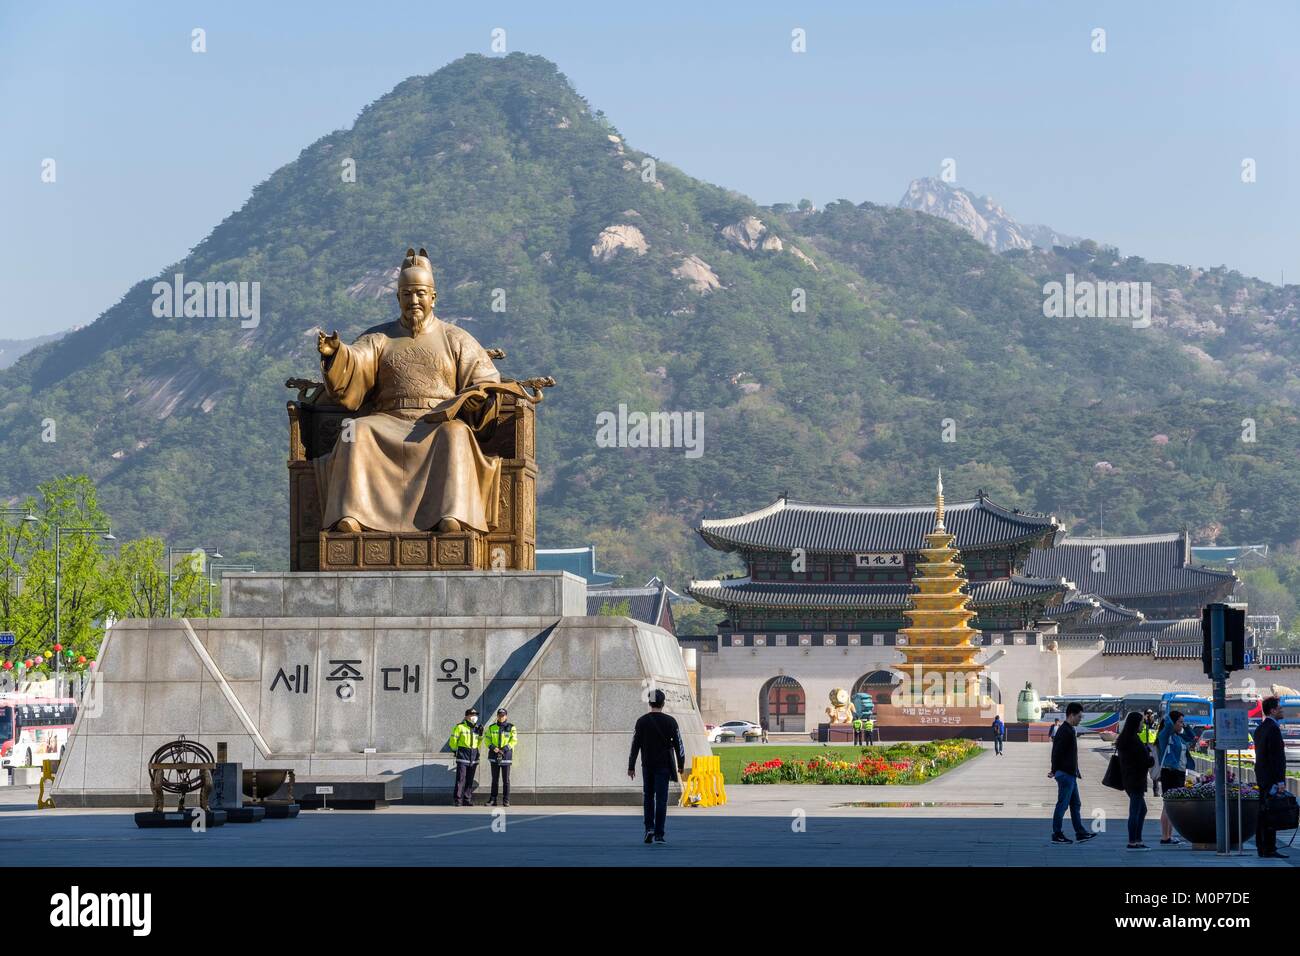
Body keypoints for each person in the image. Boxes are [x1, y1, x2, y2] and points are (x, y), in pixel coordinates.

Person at [628, 688, 687, 845]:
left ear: (650, 702)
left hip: (647, 765)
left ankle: (649, 828)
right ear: (663, 703)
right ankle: (660, 834)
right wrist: (681, 764)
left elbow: (635, 745)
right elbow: (678, 745)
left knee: (648, 797)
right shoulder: (670, 721)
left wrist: (631, 766)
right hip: (664, 766)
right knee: (661, 799)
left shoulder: (641, 721)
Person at [1048, 701, 1096, 845]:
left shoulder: (1069, 730)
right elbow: (1056, 752)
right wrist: (1054, 770)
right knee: (1062, 804)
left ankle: (1080, 833)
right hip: (1065, 774)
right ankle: (1057, 834)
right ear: (1071, 715)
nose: (1080, 720)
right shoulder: (1065, 730)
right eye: (1079, 717)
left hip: (1070, 774)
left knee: (1075, 804)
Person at [1253, 696, 1288, 859]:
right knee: (1271, 813)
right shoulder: (1273, 729)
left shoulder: (1260, 728)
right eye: (1279, 707)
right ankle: (1269, 848)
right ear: (1273, 710)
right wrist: (1280, 781)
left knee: (1263, 812)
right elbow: (1276, 758)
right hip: (1272, 779)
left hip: (1262, 777)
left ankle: (1262, 847)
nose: (1282, 710)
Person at [1116, 711, 1155, 849]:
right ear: (1135, 724)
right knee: (1135, 811)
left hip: (1129, 779)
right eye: (1141, 723)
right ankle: (1133, 841)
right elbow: (1142, 761)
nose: (1143, 726)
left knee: (1142, 810)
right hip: (1136, 780)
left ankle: (1137, 839)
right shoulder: (1133, 740)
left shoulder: (1125, 739)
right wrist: (1151, 759)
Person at [1156, 711, 1190, 845]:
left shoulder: (1177, 736)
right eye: (1180, 722)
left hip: (1179, 773)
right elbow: (1168, 724)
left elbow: (1191, 737)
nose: (1182, 724)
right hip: (1170, 772)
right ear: (1172, 723)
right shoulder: (1165, 735)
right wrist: (1167, 716)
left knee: (1172, 805)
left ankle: (1168, 836)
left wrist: (1185, 726)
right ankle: (1165, 836)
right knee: (1168, 805)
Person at [448, 708, 483, 807]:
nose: (474, 717)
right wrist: (455, 750)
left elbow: (478, 742)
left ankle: (467, 799)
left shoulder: (477, 727)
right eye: (472, 715)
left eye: (475, 715)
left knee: (470, 779)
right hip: (463, 754)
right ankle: (458, 799)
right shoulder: (460, 727)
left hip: (474, 754)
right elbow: (453, 739)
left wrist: (480, 735)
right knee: (461, 778)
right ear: (466, 716)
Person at [485, 707, 517, 808]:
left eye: (503, 715)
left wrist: (505, 749)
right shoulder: (491, 727)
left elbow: (514, 740)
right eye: (499, 715)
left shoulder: (511, 727)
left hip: (506, 755)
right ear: (497, 716)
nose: (501, 717)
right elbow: (487, 739)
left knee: (506, 779)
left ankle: (506, 800)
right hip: (494, 755)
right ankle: (493, 799)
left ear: (506, 716)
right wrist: (493, 747)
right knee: (494, 779)